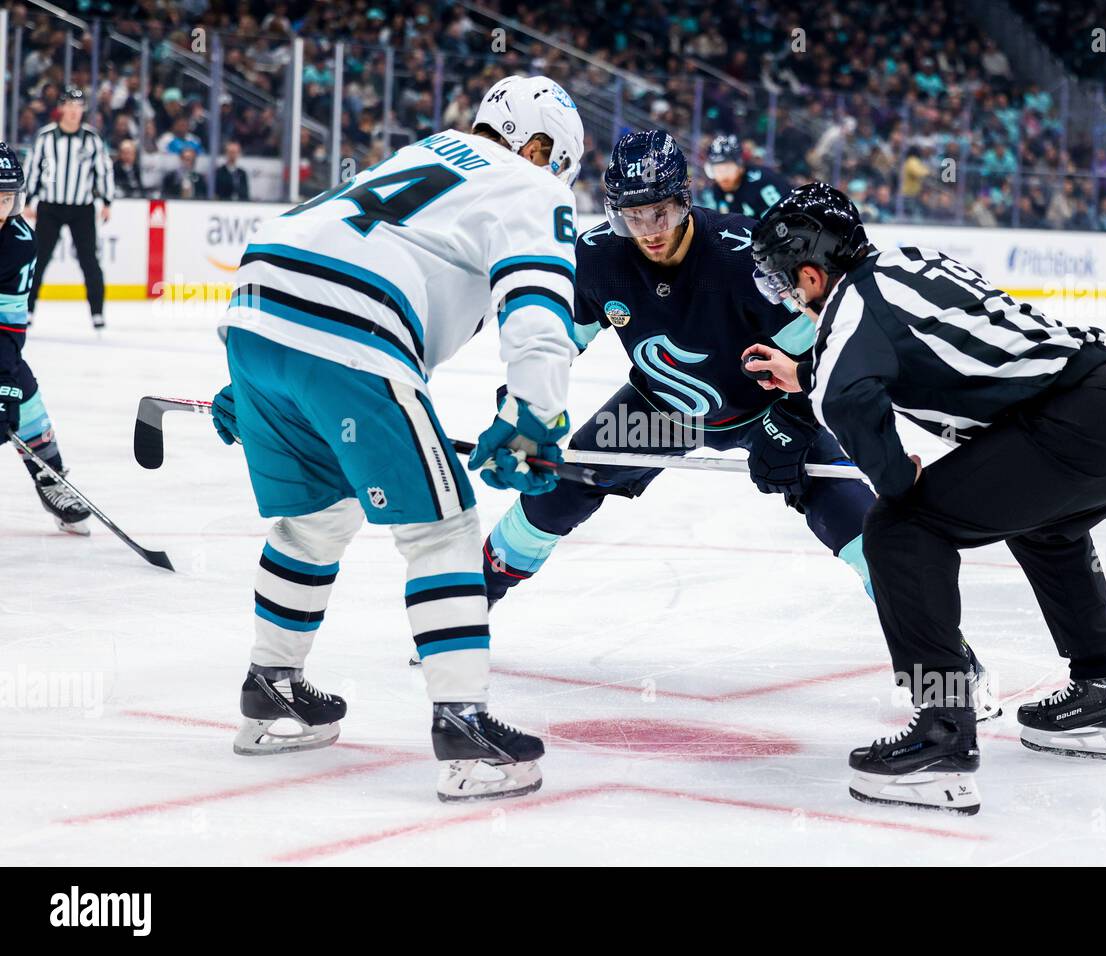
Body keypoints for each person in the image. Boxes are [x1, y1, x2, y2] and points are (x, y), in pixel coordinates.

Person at [475, 131, 998, 714]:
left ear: (685, 198)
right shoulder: (596, 256)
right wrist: (523, 409)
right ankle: (467, 607)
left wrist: (792, 426)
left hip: (767, 406)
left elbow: (820, 360)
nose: (648, 229)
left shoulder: (746, 256)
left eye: (663, 211)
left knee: (861, 531)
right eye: (632, 217)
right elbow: (552, 347)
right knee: (555, 495)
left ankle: (945, 665)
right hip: (660, 411)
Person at [212, 75, 586, 802]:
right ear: (539, 146)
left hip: (257, 314)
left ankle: (272, 687)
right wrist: (537, 420)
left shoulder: (418, 155)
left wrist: (256, 380)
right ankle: (464, 729)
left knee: (318, 517)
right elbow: (537, 309)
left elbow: (311, 248)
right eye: (556, 161)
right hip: (350, 334)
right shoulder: (528, 184)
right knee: (443, 530)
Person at [746, 183, 1106, 814]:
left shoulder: (844, 316)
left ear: (810, 274)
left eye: (783, 283)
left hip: (1076, 429)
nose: (784, 296)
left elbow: (859, 415)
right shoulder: (907, 261)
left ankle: (943, 733)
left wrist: (897, 480)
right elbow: (915, 348)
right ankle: (1103, 693)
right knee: (1047, 527)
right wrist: (810, 373)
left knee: (898, 529)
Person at [0, 142, 91, 534]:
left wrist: (4, 384)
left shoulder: (19, 242)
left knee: (22, 386)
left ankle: (49, 474)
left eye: (6, 199)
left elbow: (8, 323)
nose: (0, 210)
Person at [22, 87, 114, 331]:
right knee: (38, 259)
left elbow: (103, 170)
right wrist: (28, 199)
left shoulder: (92, 139)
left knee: (89, 260)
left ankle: (97, 312)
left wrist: (106, 201)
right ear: (61, 108)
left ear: (83, 109)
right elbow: (33, 168)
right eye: (70, 106)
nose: (74, 112)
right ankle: (28, 309)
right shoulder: (46, 137)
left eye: (78, 107)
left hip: (81, 208)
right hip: (50, 206)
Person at [696, 133, 790, 218]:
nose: (722, 176)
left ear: (740, 166)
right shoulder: (718, 190)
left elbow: (787, 214)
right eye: (717, 169)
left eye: (727, 168)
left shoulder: (762, 180)